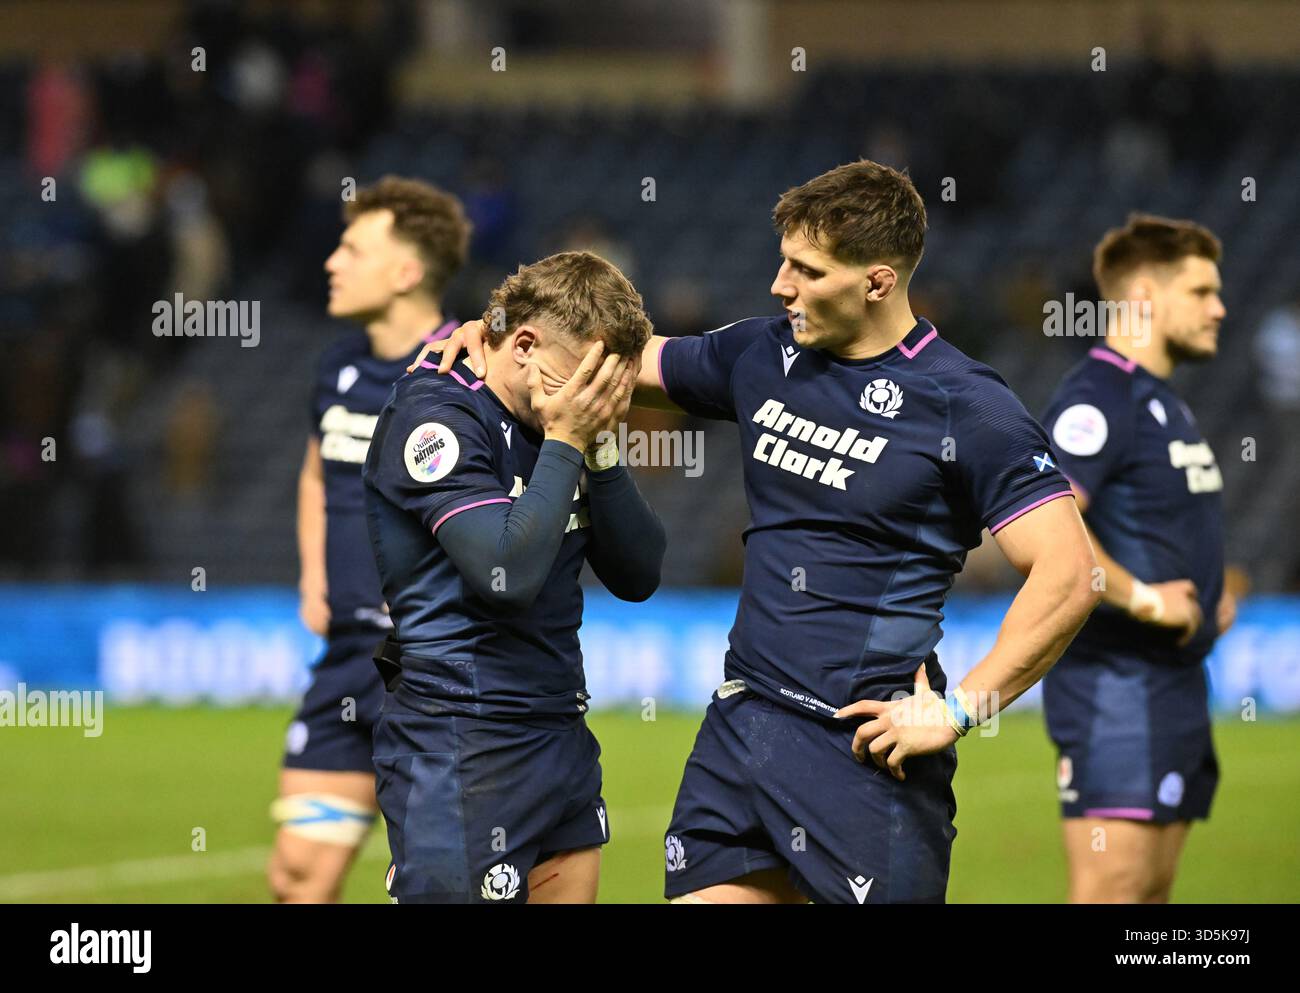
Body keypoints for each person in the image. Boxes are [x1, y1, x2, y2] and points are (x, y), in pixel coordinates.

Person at [418, 160, 1099, 903]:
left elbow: (1068, 571)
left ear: (876, 281)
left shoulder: (965, 406)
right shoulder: (760, 354)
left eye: (806, 270)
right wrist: (496, 340)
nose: (781, 285)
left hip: (864, 750)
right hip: (742, 729)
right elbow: (602, 355)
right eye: (783, 262)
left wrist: (961, 707)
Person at [364, 251, 665, 903]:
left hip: (558, 729)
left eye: (609, 384)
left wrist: (603, 448)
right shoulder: (438, 416)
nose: (596, 398)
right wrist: (566, 441)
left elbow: (640, 573)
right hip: (460, 739)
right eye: (584, 378)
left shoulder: (565, 421)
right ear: (524, 344)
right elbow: (506, 573)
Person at [267, 176, 469, 903]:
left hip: (429, 666)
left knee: (439, 883)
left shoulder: (470, 370)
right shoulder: (338, 367)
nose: (332, 261)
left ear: (406, 272)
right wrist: (313, 576)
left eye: (353, 249)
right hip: (346, 654)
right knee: (297, 875)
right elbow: (319, 473)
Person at [1040, 214, 1234, 903]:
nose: (1219, 307)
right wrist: (1148, 598)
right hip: (1115, 687)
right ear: (1146, 293)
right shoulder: (1098, 397)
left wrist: (1212, 594)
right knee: (1114, 892)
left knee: (1150, 898)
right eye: (1202, 290)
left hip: (1173, 685)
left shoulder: (1163, 402)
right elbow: (1050, 525)